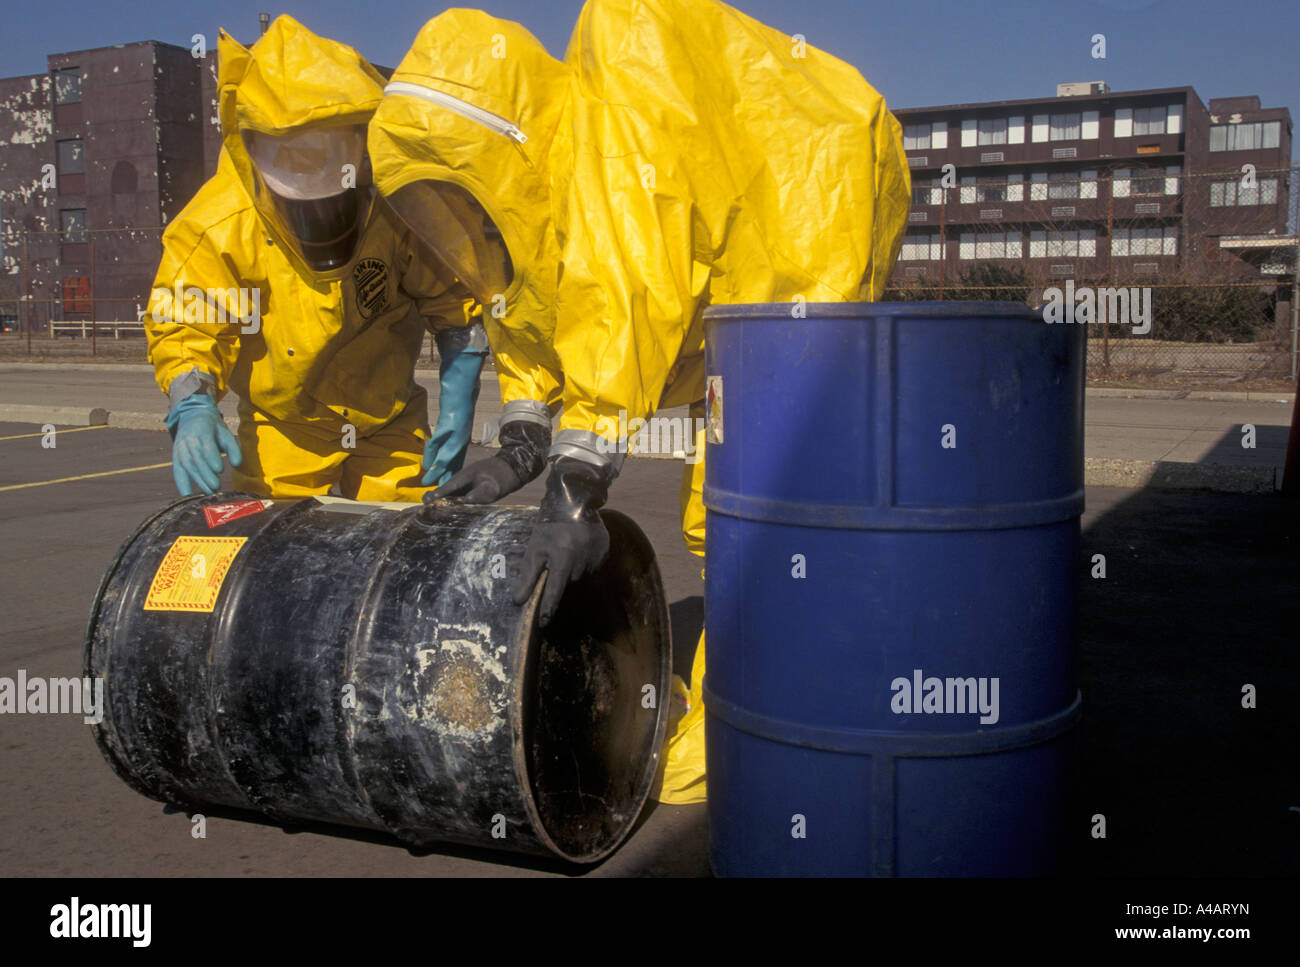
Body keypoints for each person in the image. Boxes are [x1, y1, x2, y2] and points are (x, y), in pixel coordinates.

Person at [367, 0, 910, 802]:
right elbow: (537, 308)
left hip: (809, 212)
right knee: (733, 507)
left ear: (507, 146)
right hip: (713, 284)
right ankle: (772, 684)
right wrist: (520, 442)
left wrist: (577, 480)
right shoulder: (535, 191)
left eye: (457, 200)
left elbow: (630, 290)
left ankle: (755, 730)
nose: (453, 231)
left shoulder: (619, 109)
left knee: (751, 511)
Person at [145, 15, 486, 502]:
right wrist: (192, 402)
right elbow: (189, 322)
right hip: (285, 426)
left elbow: (455, 299)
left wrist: (458, 402)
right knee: (274, 550)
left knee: (402, 546)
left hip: (387, 419)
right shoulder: (219, 223)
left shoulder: (396, 205)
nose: (322, 216)